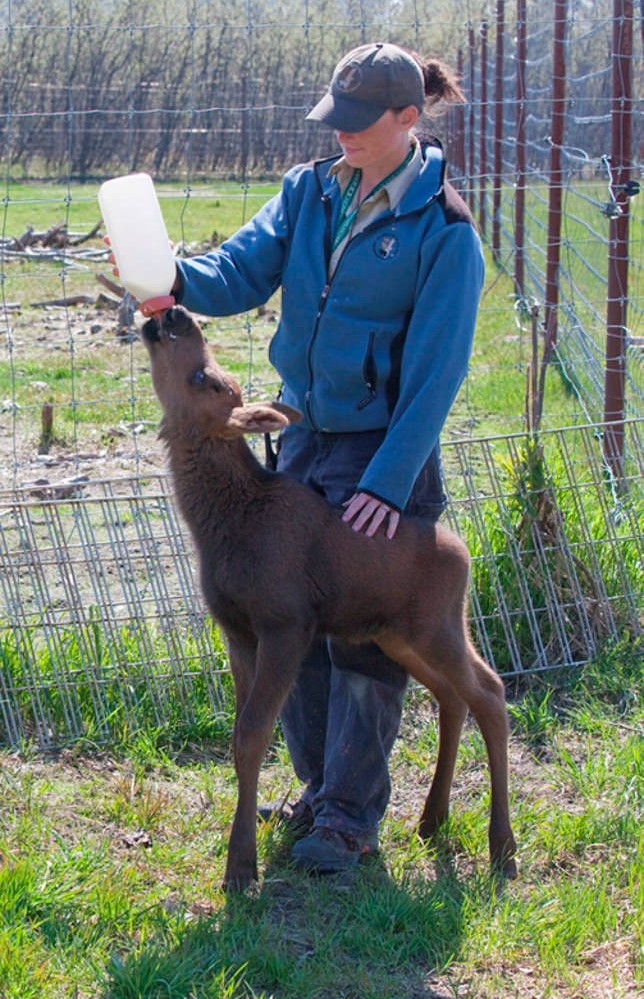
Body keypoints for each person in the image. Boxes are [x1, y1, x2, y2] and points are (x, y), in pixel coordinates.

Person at [143, 41, 485, 874]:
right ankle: (316, 785)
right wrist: (172, 277)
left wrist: (389, 479)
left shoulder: (444, 231)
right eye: (336, 121)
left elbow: (436, 376)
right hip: (300, 434)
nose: (344, 138)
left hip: (383, 449)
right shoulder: (308, 192)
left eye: (362, 125)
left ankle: (350, 816)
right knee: (281, 614)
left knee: (366, 632)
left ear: (410, 118)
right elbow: (237, 271)